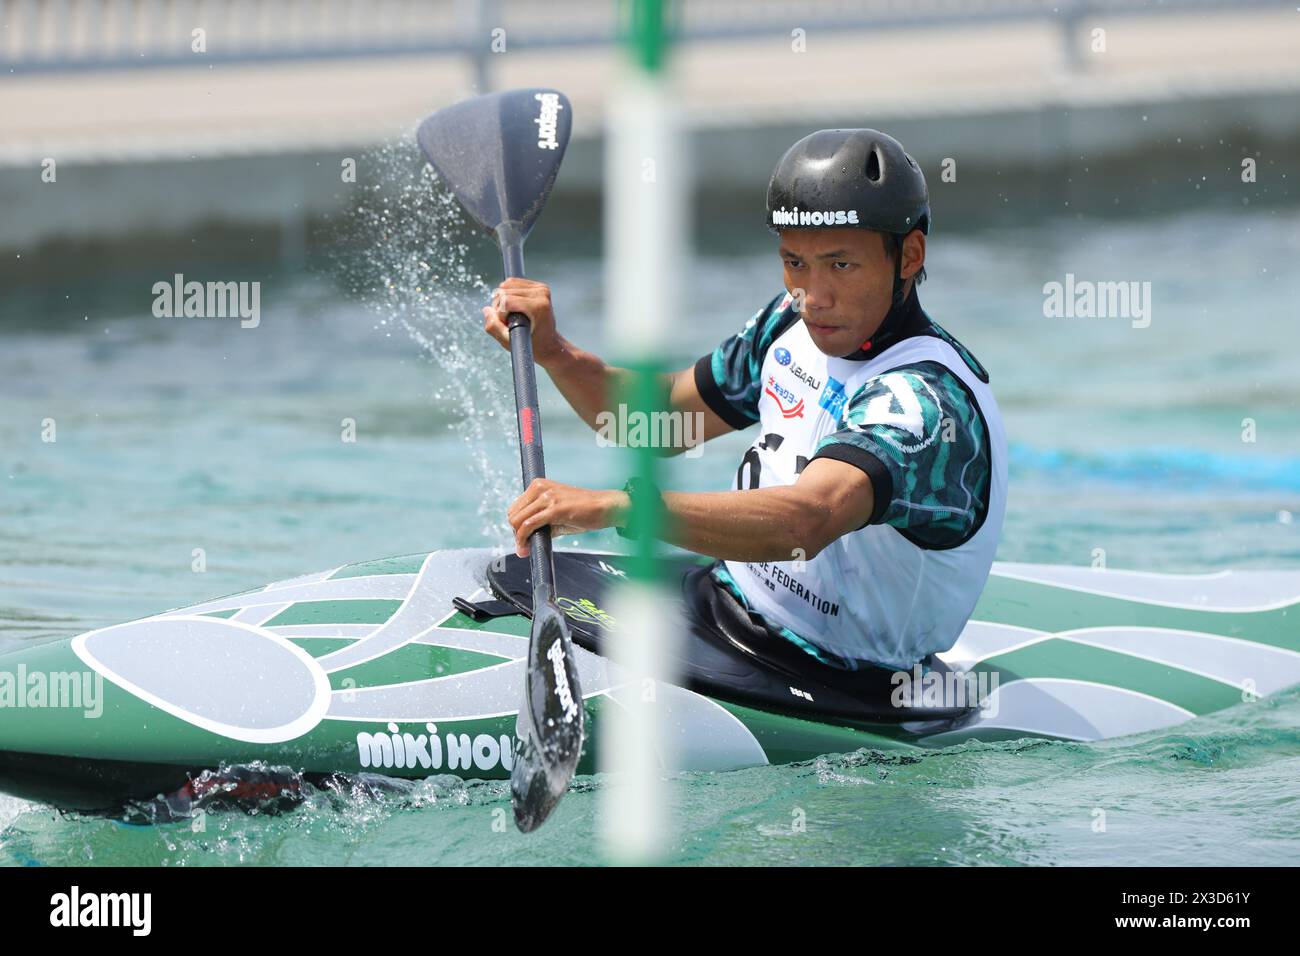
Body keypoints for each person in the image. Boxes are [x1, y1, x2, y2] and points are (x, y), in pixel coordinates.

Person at [482, 128, 1007, 673]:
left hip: (842, 676)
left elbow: (806, 521)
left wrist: (619, 507)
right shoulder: (789, 321)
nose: (814, 295)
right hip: (721, 599)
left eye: (841, 265)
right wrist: (556, 353)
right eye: (795, 262)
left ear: (908, 255)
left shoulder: (923, 402)